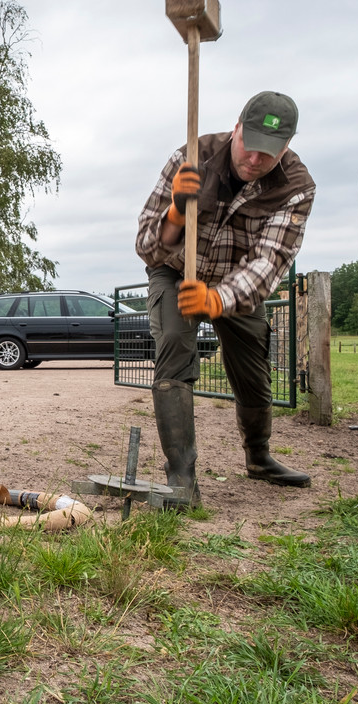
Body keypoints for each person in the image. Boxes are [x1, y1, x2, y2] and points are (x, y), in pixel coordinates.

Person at [135, 91, 316, 508]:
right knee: (174, 346)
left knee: (253, 368)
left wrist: (216, 300)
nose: (254, 159)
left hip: (237, 283)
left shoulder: (296, 187)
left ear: (286, 146)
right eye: (249, 145)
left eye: (268, 152)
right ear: (236, 128)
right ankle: (182, 478)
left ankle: (258, 457)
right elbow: (146, 246)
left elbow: (269, 262)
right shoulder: (191, 158)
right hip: (176, 272)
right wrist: (175, 214)